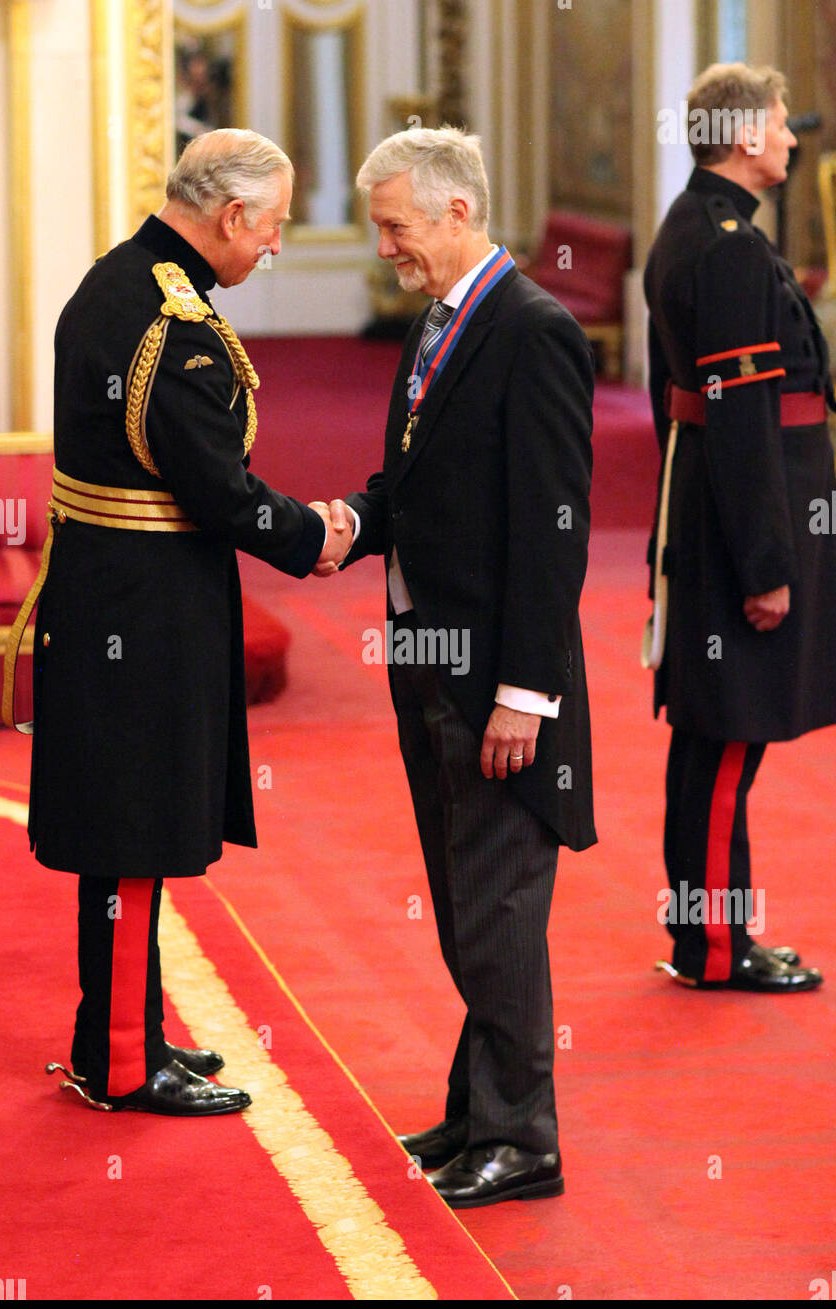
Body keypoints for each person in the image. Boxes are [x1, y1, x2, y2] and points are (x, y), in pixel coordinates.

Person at [5, 129, 352, 1114]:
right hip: (144, 609)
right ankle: (120, 1060)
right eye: (274, 228)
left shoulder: (118, 279)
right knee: (134, 829)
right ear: (232, 216)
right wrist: (318, 536)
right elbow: (221, 492)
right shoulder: (177, 323)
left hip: (107, 590)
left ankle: (128, 1024)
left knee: (128, 822)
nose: (274, 247)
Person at [318, 127, 595, 1208]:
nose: (384, 246)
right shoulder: (440, 320)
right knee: (467, 901)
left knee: (500, 912)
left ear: (456, 213)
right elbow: (415, 480)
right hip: (429, 664)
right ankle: (481, 1110)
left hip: (497, 686)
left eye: (394, 226)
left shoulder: (533, 331)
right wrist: (347, 520)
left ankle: (524, 1142)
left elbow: (552, 532)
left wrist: (526, 694)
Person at [643, 65, 836, 992]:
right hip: (746, 522)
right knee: (729, 739)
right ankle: (717, 947)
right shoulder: (727, 245)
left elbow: (678, 404)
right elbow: (736, 417)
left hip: (708, 505)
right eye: (779, 122)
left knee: (712, 737)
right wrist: (766, 565)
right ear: (743, 137)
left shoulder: (697, 224)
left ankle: (703, 936)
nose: (792, 138)